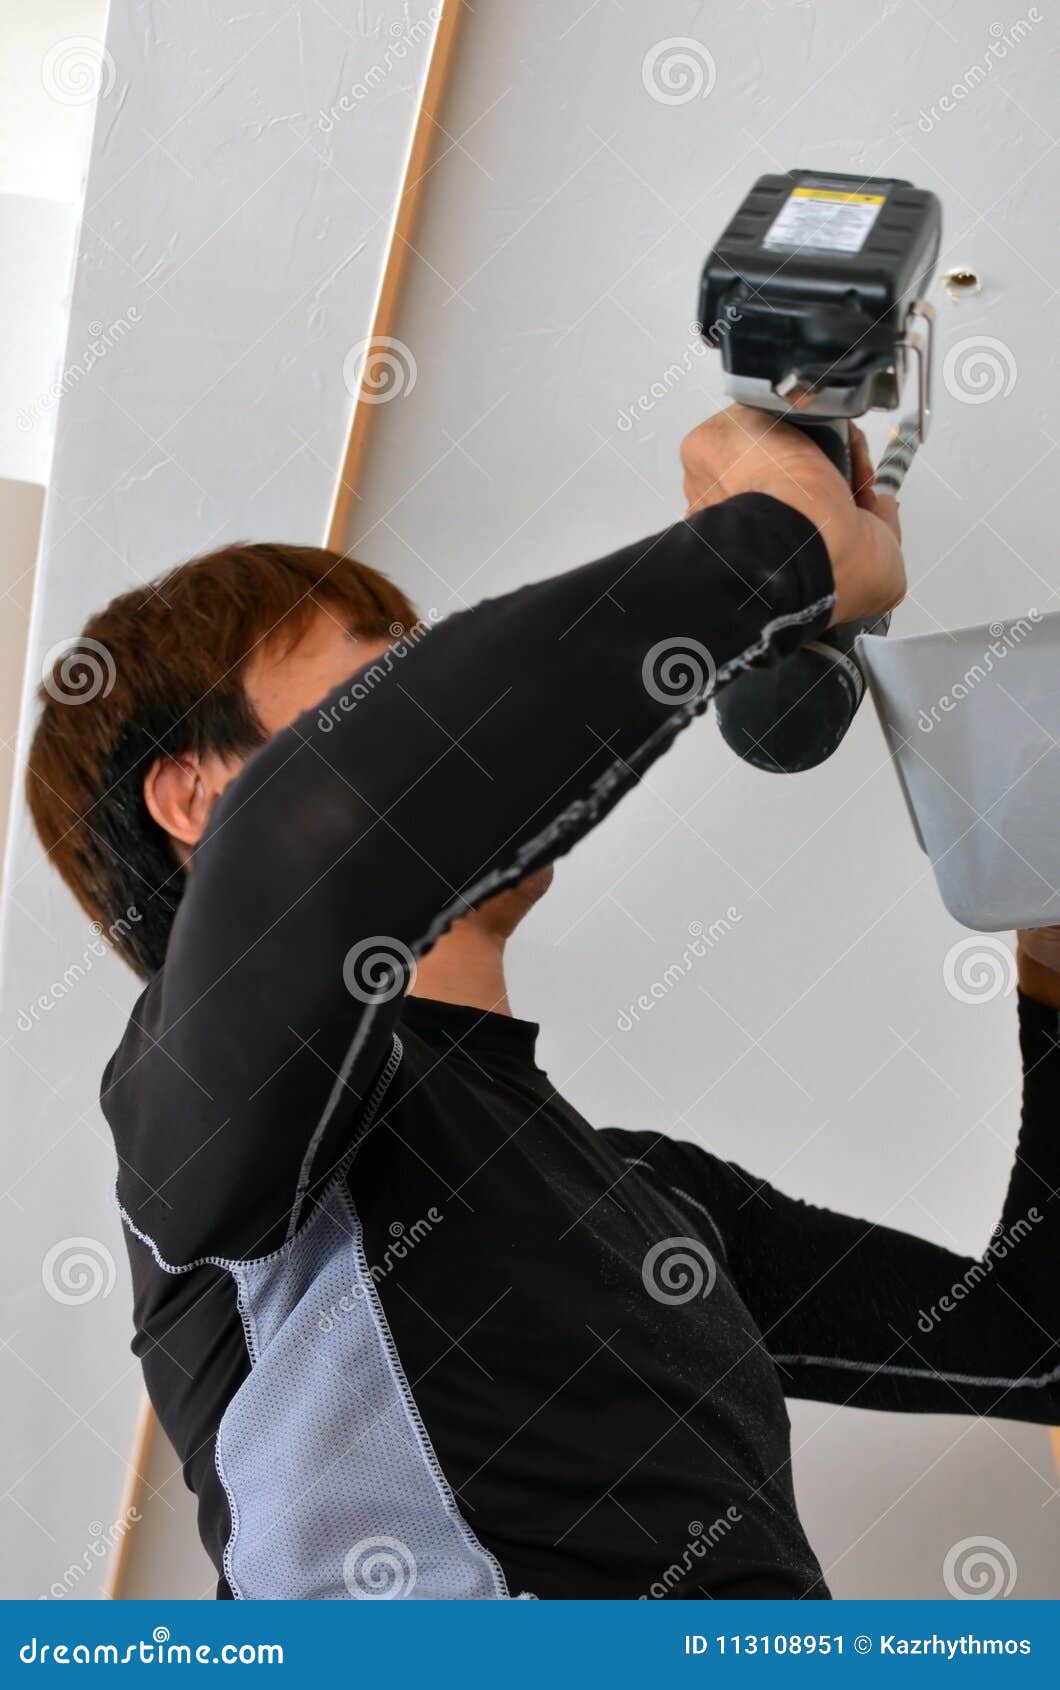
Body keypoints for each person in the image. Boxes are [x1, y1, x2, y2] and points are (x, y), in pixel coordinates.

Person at [26, 407, 1060, 1600]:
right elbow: (329, 835)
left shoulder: (654, 1203)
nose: (426, 691)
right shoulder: (185, 1097)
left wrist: (1045, 928)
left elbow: (1032, 1340)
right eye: (382, 667)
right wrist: (772, 543)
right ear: (196, 798)